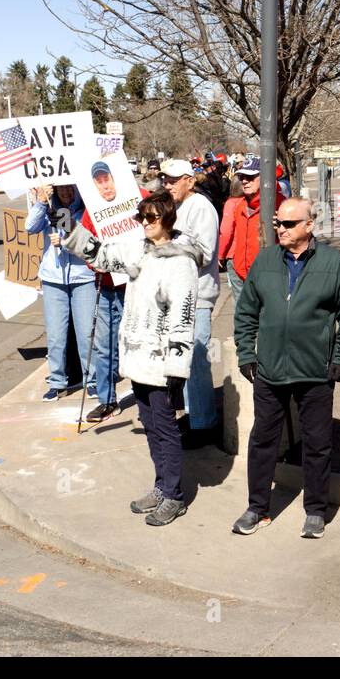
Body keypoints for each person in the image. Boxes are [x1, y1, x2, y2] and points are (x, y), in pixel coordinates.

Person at [62, 191, 203, 526]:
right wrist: (67, 226)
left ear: (167, 219)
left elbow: (183, 319)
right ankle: (160, 485)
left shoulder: (181, 262)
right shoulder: (140, 249)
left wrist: (176, 369)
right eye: (141, 217)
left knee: (166, 429)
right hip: (139, 357)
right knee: (151, 425)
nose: (144, 223)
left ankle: (174, 495)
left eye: (151, 218)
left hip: (162, 362)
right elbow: (103, 256)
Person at [232, 197, 340, 539]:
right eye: (277, 223)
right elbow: (245, 311)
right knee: (262, 440)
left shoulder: (333, 263)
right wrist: (247, 354)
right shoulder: (265, 260)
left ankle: (316, 511)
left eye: (288, 224)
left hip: (316, 373)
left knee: (317, 444)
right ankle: (257, 508)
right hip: (270, 371)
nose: (280, 229)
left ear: (309, 225)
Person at [161, 159, 221, 444]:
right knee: (182, 359)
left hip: (197, 296)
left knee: (197, 360)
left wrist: (169, 248)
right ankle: (192, 417)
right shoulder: (177, 207)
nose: (167, 184)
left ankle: (204, 425)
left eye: (173, 179)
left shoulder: (202, 208)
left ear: (190, 180)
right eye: (165, 179)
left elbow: (205, 254)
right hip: (178, 297)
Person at [80, 183, 151, 423]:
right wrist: (94, 263)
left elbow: (160, 232)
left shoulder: (141, 196)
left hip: (136, 284)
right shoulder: (93, 206)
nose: (104, 185)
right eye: (97, 180)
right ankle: (107, 400)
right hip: (106, 285)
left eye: (106, 178)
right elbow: (85, 243)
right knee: (103, 344)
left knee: (138, 342)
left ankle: (147, 402)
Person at [27, 184, 96, 402]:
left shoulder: (86, 211)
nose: (66, 193)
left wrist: (65, 242)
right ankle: (57, 382)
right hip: (53, 279)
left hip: (83, 277)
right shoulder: (49, 209)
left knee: (86, 333)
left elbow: (92, 241)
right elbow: (30, 227)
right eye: (61, 190)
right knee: (56, 335)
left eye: (70, 189)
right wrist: (40, 201)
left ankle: (92, 381)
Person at [218, 156, 284, 299]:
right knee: (244, 318)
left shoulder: (280, 204)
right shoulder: (240, 204)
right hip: (242, 274)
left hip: (269, 279)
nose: (245, 181)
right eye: (241, 177)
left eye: (250, 176)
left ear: (265, 177)